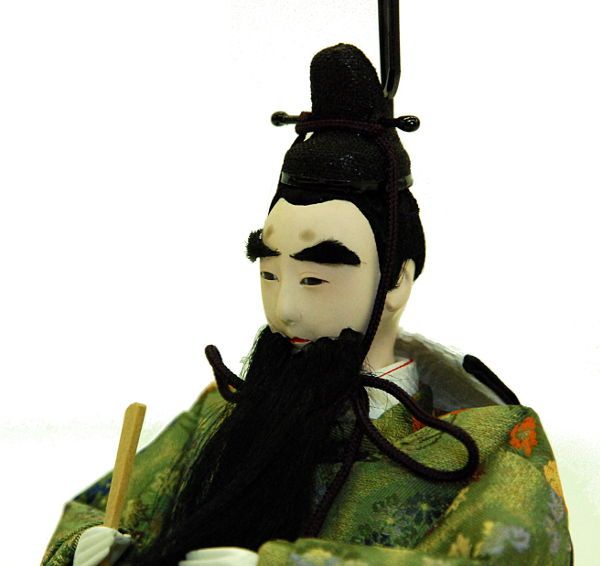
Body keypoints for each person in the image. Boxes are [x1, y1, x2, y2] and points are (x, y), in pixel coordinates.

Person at [43, 44, 572, 566]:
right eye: (270, 274)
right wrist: (96, 549)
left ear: (396, 281)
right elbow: (98, 513)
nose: (285, 310)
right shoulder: (219, 414)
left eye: (315, 279)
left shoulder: (488, 442)